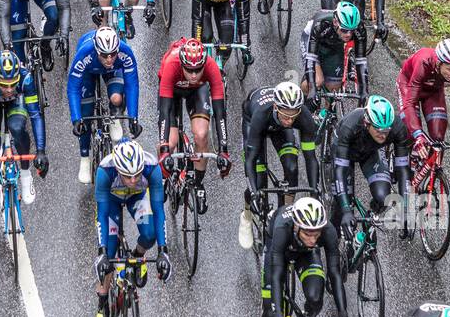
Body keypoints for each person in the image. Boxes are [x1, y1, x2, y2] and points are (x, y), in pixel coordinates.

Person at [257, 196, 353, 317]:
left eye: (316, 234)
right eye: (307, 234)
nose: (312, 239)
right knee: (269, 311)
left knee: (316, 297)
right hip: (278, 251)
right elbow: (276, 276)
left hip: (306, 255)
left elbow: (334, 275)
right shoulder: (283, 229)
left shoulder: (327, 231)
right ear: (296, 226)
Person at [93, 140, 170, 317]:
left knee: (150, 233)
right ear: (119, 170)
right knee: (109, 253)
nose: (134, 179)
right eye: (128, 176)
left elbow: (159, 210)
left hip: (137, 197)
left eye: (137, 174)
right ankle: (102, 303)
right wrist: (102, 253)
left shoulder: (152, 167)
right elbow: (101, 214)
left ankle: (137, 256)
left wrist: (163, 251)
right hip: (111, 201)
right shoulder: (105, 170)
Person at [239, 81, 320, 249]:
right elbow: (250, 160)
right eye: (285, 115)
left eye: (293, 115)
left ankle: (285, 215)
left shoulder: (302, 116)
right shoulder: (261, 113)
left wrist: (314, 191)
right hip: (255, 123)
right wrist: (254, 193)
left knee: (292, 167)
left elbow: (310, 158)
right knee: (259, 181)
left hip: (279, 130)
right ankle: (246, 215)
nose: (289, 120)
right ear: (276, 107)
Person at [156, 38, 230, 214]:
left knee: (202, 134)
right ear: (182, 63)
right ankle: (160, 179)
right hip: (172, 91)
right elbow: (165, 112)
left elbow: (220, 112)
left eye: (198, 70)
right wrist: (165, 150)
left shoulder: (211, 67)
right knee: (171, 142)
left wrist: (224, 150)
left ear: (204, 63)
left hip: (197, 91)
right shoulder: (171, 64)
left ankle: (198, 183)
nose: (194, 74)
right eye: (189, 70)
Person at [0, 50, 48, 213]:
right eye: (4, 84)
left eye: (13, 83)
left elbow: (35, 115)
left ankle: (26, 174)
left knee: (17, 128)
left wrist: (41, 151)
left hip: (16, 102)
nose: (9, 89)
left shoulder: (26, 77)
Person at [68, 25, 142, 184]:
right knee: (85, 115)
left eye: (112, 54)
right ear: (97, 50)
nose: (109, 59)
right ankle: (85, 159)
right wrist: (76, 119)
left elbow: (132, 84)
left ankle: (115, 117)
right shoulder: (85, 53)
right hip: (88, 72)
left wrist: (133, 118)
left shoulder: (124, 51)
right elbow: (73, 87)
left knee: (116, 98)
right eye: (104, 55)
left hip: (113, 71)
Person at [330, 95, 412, 233]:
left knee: (383, 197)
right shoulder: (350, 125)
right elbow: (340, 171)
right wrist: (346, 210)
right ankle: (334, 238)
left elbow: (403, 170)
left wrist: (405, 209)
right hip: (346, 153)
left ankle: (371, 219)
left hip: (371, 153)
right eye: (379, 130)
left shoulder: (398, 127)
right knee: (342, 205)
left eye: (386, 132)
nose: (383, 136)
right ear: (367, 123)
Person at [397, 38, 450, 164]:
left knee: (438, 138)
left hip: (433, 92)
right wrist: (418, 135)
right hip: (408, 85)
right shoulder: (424, 62)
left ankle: (431, 173)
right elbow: (409, 103)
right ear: (438, 63)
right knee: (411, 131)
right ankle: (402, 164)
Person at [300, 2, 366, 109]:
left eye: (352, 31)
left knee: (334, 87)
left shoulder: (360, 28)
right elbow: (311, 58)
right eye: (344, 30)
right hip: (312, 40)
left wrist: (364, 90)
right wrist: (312, 89)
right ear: (335, 22)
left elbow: (361, 61)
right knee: (317, 81)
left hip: (334, 44)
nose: (348, 34)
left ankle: (326, 115)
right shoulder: (321, 24)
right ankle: (302, 108)